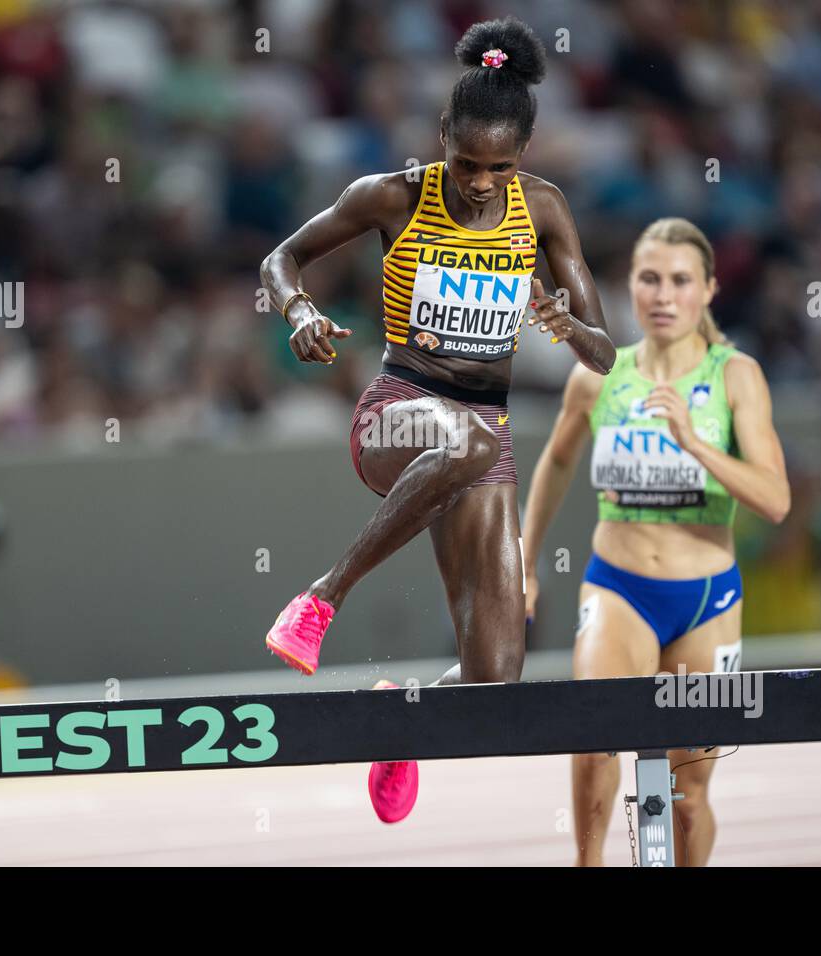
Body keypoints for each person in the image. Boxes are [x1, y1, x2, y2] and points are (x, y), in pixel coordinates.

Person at [259, 17, 614, 824]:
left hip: (478, 438)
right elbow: (279, 259)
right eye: (467, 163)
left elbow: (606, 356)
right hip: (397, 415)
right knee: (472, 436)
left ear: (522, 157)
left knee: (494, 678)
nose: (482, 182)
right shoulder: (393, 195)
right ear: (441, 135)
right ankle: (321, 598)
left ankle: (402, 714)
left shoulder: (545, 210)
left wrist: (561, 320)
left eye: (501, 167)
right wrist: (299, 311)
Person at [521, 218, 790, 865]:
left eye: (679, 281)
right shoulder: (597, 375)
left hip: (707, 600)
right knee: (595, 738)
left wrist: (695, 444)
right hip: (619, 585)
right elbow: (557, 462)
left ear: (708, 289)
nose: (663, 295)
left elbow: (776, 499)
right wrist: (524, 562)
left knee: (687, 793)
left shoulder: (735, 377)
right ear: (630, 287)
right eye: (649, 279)